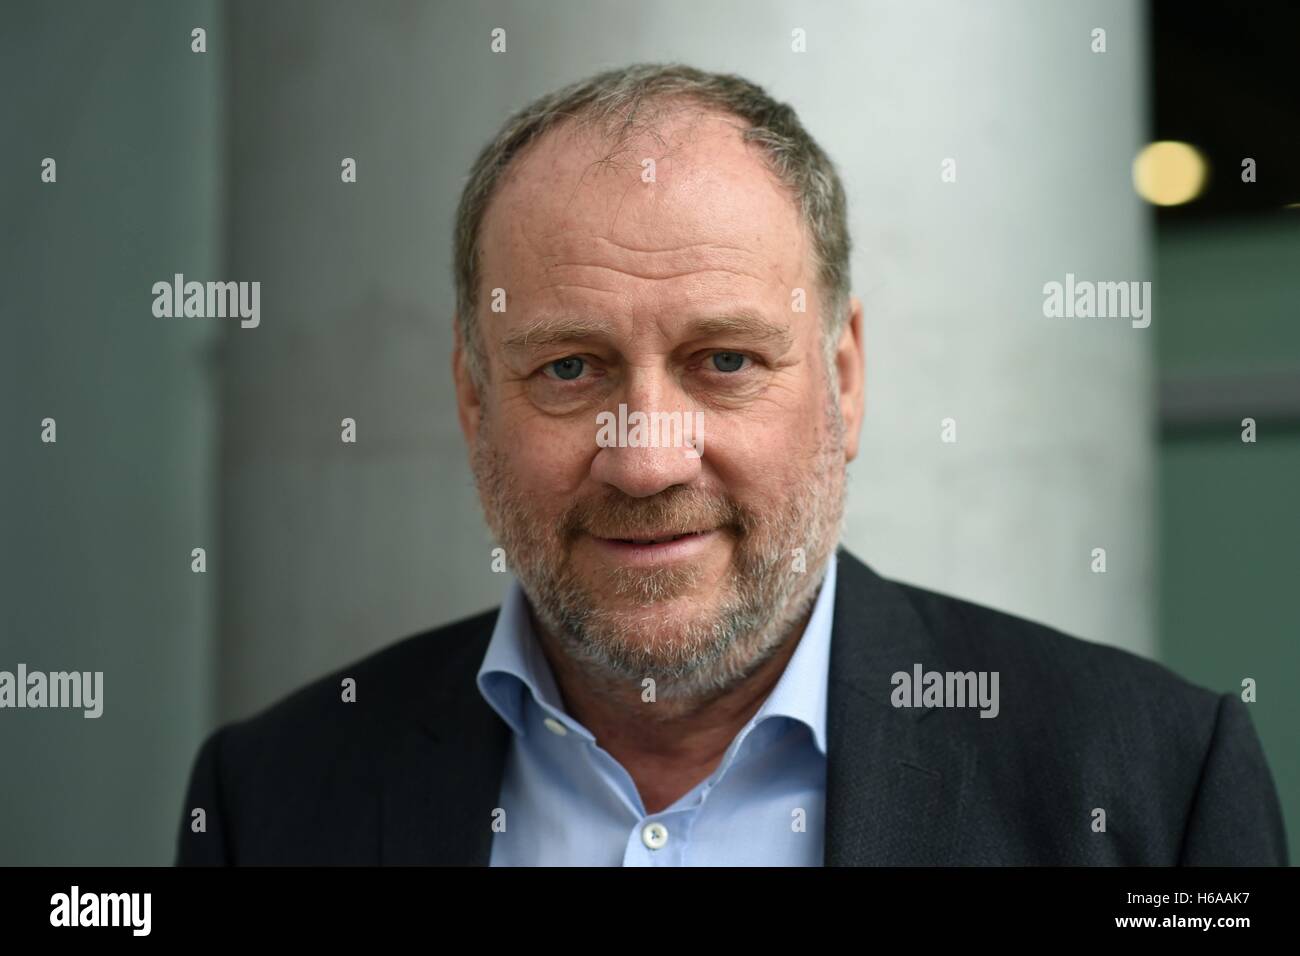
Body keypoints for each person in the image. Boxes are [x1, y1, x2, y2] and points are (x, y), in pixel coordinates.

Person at [176, 63, 1287, 866]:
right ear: (474, 400)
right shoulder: (269, 801)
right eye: (569, 367)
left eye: (723, 358)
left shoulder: (1152, 788)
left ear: (844, 380)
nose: (647, 459)